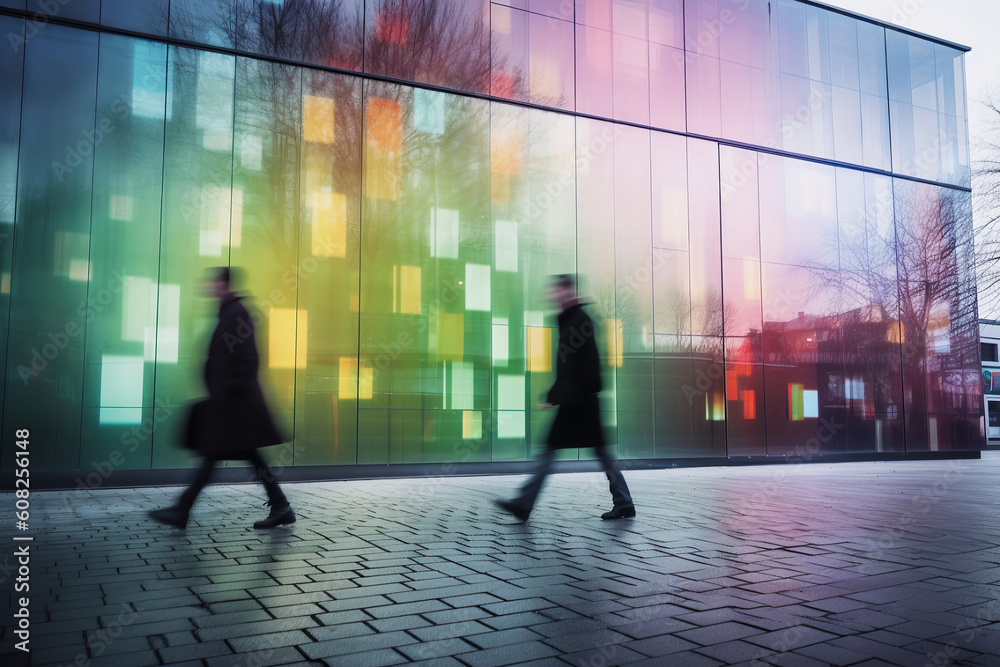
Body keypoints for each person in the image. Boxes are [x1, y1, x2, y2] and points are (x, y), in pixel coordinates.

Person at [149, 267, 295, 530]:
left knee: (213, 454)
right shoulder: (229, 313)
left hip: (233, 405)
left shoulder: (238, 313)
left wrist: (228, 389)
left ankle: (182, 509)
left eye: (214, 283)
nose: (209, 288)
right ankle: (281, 506)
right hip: (230, 403)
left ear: (225, 284)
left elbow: (250, 359)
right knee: (240, 455)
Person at [496, 274, 635, 521]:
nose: (553, 296)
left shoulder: (579, 320)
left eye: (557, 291)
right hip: (579, 401)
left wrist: (561, 395)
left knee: (553, 451)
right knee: (594, 454)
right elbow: (568, 366)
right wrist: (555, 394)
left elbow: (585, 365)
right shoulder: (572, 320)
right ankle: (623, 502)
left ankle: (524, 504)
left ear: (568, 292)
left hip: (579, 403)